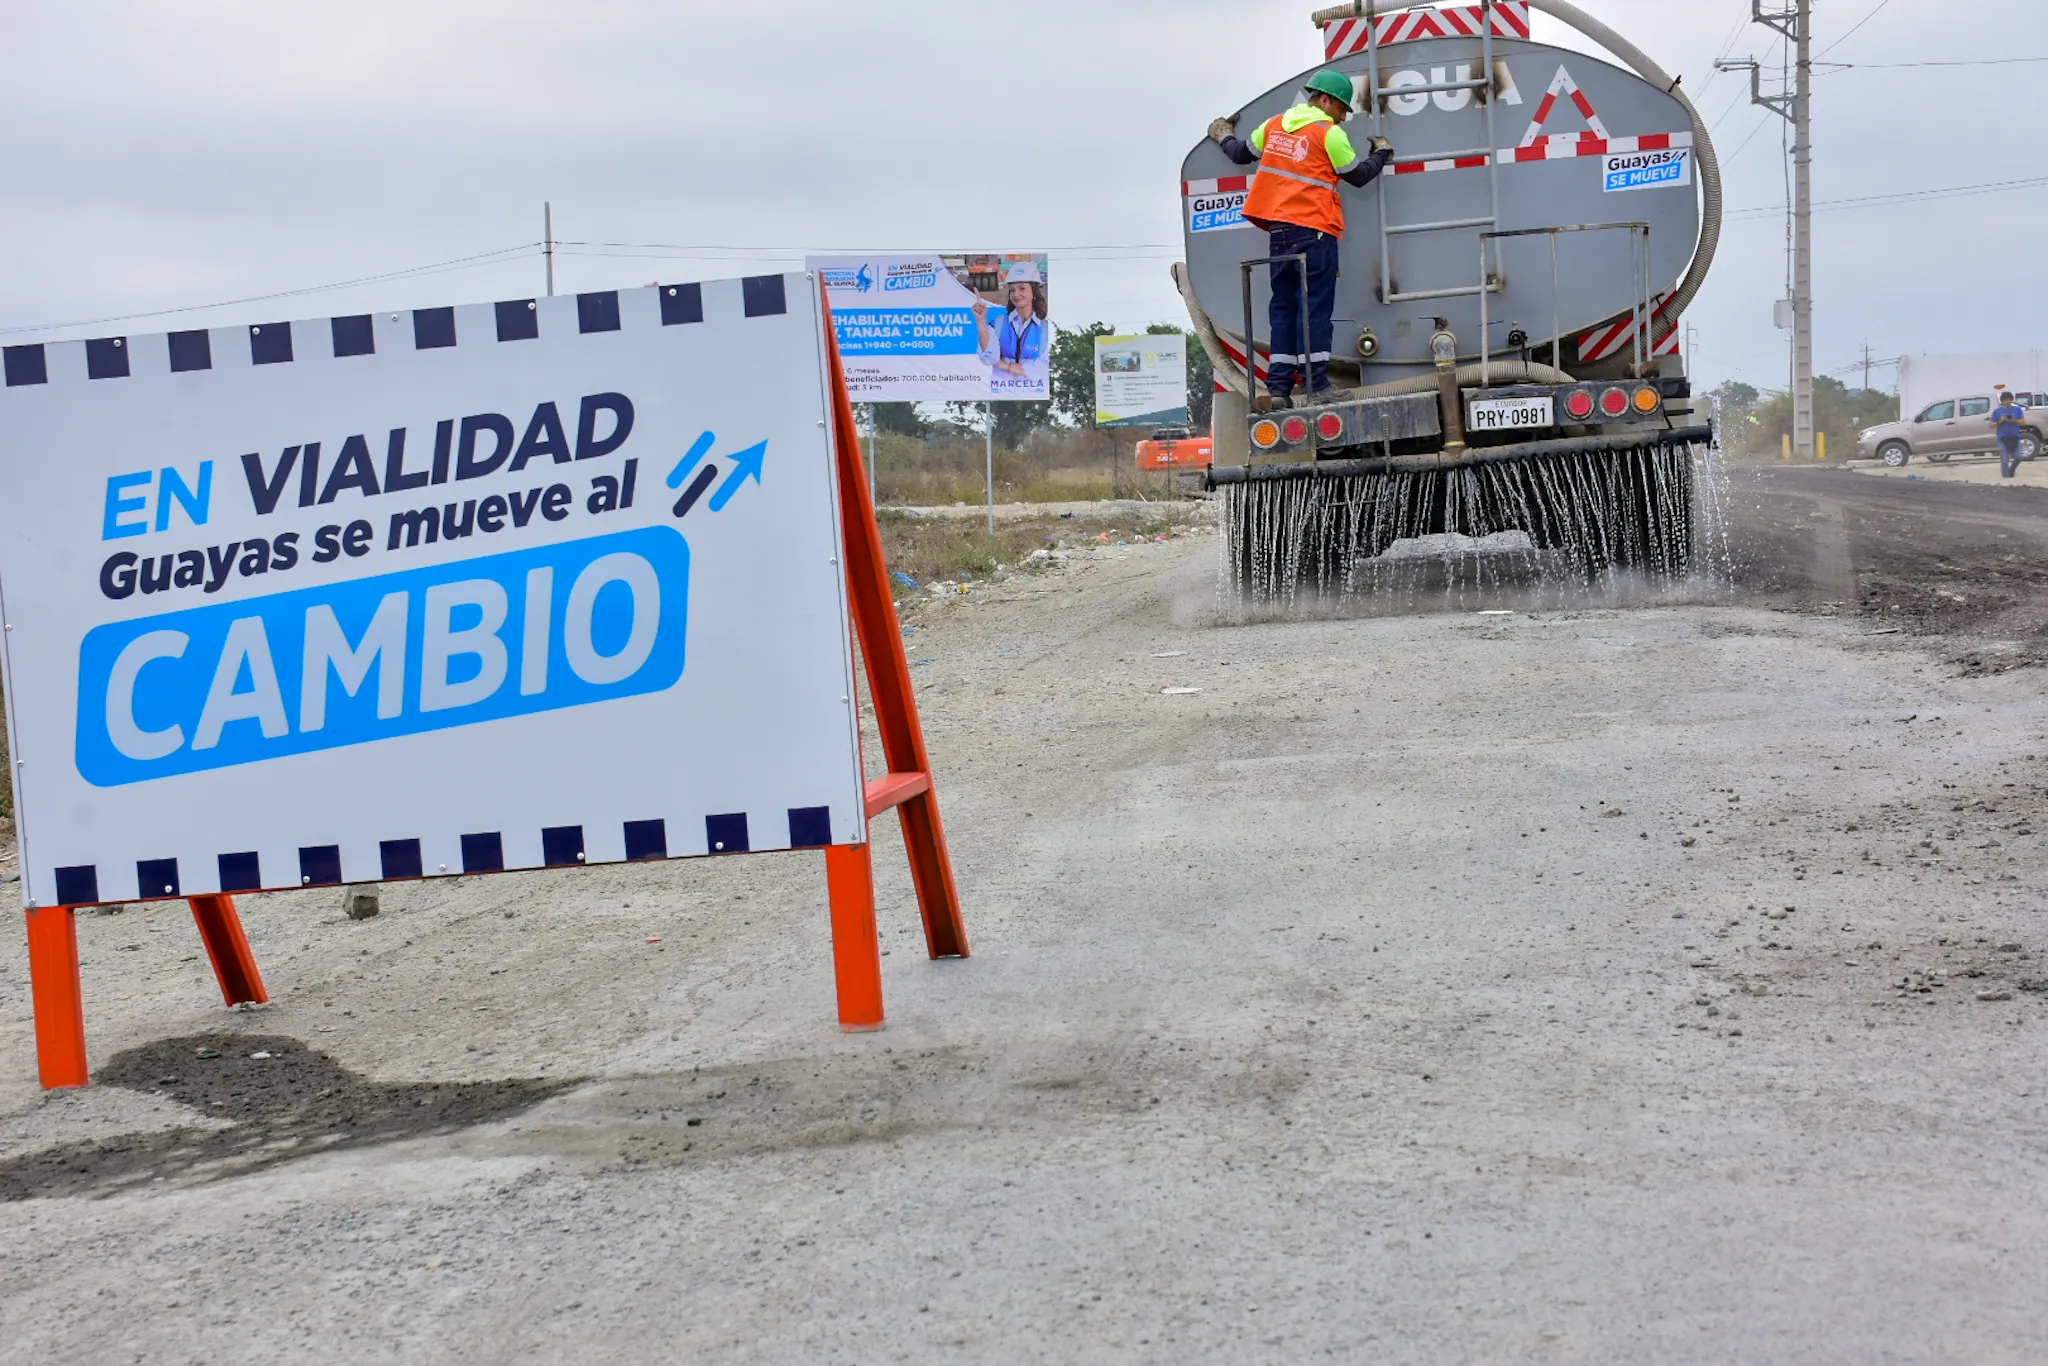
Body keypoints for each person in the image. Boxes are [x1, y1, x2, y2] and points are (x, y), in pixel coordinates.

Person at [1209, 70, 1393, 407]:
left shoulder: (1274, 125)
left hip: (1280, 235)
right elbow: (1359, 177)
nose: (1344, 115)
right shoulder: (1329, 134)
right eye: (1342, 108)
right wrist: (1382, 153)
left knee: (1283, 308)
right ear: (1325, 101)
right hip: (1315, 233)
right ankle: (1315, 385)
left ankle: (1278, 389)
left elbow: (1240, 154)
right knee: (1314, 310)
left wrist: (1222, 134)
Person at [972, 262, 1049, 393]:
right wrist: (981, 322)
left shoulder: (1045, 328)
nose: (1016, 294)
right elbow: (989, 358)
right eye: (1012, 290)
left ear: (1034, 292)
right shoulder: (998, 323)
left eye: (1022, 288)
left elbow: (1042, 368)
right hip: (1002, 395)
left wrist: (1006, 366)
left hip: (1033, 395)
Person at [1991, 389, 2028, 481]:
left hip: (2015, 437)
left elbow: (2023, 422)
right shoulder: (1997, 411)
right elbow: (1991, 425)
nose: (2007, 402)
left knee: (2019, 457)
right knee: (2004, 459)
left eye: (2009, 399)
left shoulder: (2017, 409)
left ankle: (2011, 470)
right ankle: (2006, 480)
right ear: (2002, 401)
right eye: (2005, 400)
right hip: (2002, 438)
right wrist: (2001, 420)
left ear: (2012, 400)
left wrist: (2015, 420)